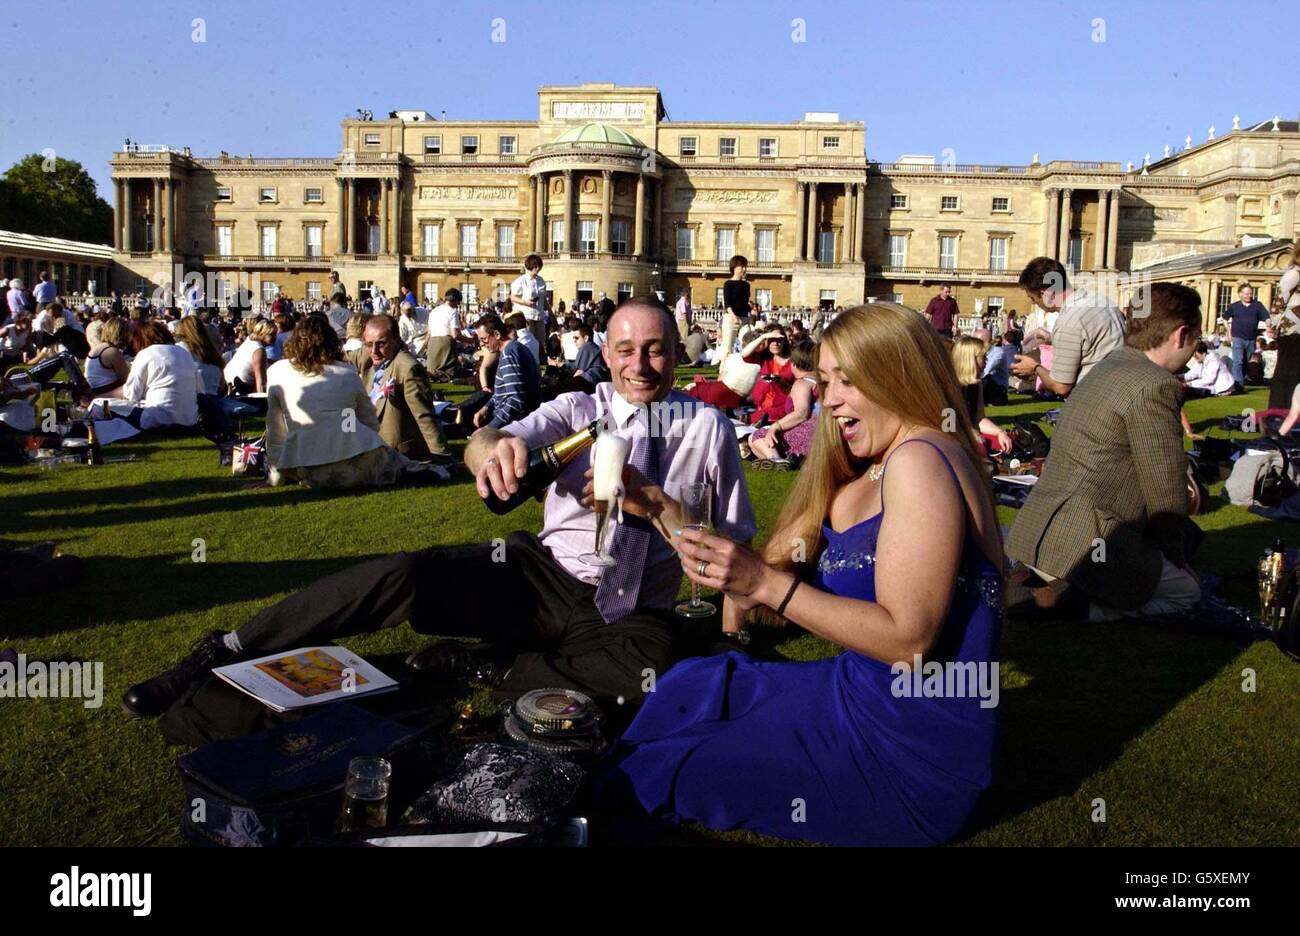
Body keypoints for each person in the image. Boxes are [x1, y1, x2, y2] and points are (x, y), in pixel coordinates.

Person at [121, 298, 757, 723]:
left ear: (677, 354)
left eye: (654, 350)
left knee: (655, 673)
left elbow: (729, 557)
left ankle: (480, 663)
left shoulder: (708, 430)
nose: (639, 365)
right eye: (625, 350)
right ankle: (225, 649)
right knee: (403, 572)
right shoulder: (579, 410)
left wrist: (660, 507)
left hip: (630, 611)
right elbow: (490, 442)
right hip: (543, 575)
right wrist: (493, 451)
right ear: (607, 353)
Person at [592, 302, 1002, 846]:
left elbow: (910, 641)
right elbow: (774, 577)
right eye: (825, 380)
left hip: (903, 755)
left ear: (898, 375)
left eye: (847, 382)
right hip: (858, 694)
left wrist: (765, 583)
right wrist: (659, 506)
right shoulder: (882, 462)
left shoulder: (921, 460)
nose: (829, 401)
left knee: (662, 770)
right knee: (701, 680)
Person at [1006, 283, 1203, 623]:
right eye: (1196, 338)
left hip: (1037, 532)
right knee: (1187, 592)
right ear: (1181, 334)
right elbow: (1166, 492)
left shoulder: (1109, 366)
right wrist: (1176, 557)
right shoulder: (1155, 384)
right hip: (1086, 543)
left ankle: (1047, 587)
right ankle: (1078, 607)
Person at [257, 314, 404, 488]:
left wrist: (275, 477)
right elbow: (370, 423)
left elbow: (275, 430)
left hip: (306, 465)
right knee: (396, 461)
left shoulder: (277, 372)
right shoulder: (347, 372)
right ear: (332, 342)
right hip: (357, 462)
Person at [1009, 256, 1126, 397]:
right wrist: (1051, 338)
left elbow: (1061, 386)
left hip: (1096, 398)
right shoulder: (1103, 302)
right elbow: (1090, 341)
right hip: (1120, 388)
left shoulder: (1069, 320)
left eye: (1033, 298)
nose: (1034, 304)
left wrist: (1035, 367)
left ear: (1045, 294)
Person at [346, 314, 450, 462]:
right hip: (366, 438)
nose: (374, 350)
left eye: (381, 344)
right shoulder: (368, 353)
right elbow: (343, 357)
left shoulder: (408, 368)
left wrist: (442, 456)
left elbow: (424, 416)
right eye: (369, 344)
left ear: (395, 340)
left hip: (395, 450)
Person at [91, 321, 200, 431]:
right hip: (189, 420)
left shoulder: (146, 354)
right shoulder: (184, 353)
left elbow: (131, 393)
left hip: (158, 419)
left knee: (99, 406)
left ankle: (107, 423)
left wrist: (102, 395)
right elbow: (200, 389)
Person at [748, 338, 818, 462]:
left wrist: (776, 427)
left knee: (757, 436)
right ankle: (779, 459)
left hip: (807, 436)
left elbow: (802, 413)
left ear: (794, 363)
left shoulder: (802, 383)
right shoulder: (821, 382)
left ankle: (777, 459)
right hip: (823, 433)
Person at [471, 313, 541, 429]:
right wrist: (486, 407)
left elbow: (515, 400)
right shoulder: (514, 349)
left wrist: (490, 429)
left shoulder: (509, 354)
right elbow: (503, 392)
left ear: (497, 334)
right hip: (508, 419)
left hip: (513, 424)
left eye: (484, 339)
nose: (482, 343)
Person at [950, 337, 1012, 454]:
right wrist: (971, 433)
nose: (987, 360)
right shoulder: (948, 386)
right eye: (983, 357)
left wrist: (1000, 432)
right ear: (970, 359)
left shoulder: (977, 385)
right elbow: (948, 427)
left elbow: (979, 418)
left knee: (1004, 442)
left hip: (969, 434)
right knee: (980, 447)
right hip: (952, 438)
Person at [740, 326, 794, 425]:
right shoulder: (765, 359)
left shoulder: (793, 362)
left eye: (779, 340)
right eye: (772, 340)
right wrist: (763, 336)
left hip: (781, 410)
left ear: (784, 341)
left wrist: (782, 382)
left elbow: (797, 389)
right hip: (762, 409)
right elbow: (744, 354)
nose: (776, 343)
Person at [1269, 242, 1300, 411]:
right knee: (1287, 371)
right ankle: (1279, 410)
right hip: (1292, 331)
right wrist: (1273, 325)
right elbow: (1278, 303)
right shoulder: (1294, 274)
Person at [1222, 284, 1269, 390]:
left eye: (1251, 293)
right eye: (1246, 294)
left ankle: (1240, 380)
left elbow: (1266, 317)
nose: (1249, 296)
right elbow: (1225, 318)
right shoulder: (1234, 306)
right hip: (1237, 337)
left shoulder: (1257, 305)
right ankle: (1237, 384)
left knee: (1245, 362)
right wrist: (1229, 331)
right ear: (1240, 294)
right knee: (1238, 361)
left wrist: (1269, 325)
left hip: (1251, 338)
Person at [175, 315, 228, 397]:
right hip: (213, 403)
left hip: (191, 402)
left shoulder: (178, 350)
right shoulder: (213, 353)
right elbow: (221, 387)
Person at [222, 318, 275, 394]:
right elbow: (260, 382)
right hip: (239, 390)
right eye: (271, 334)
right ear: (262, 334)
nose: (275, 337)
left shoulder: (250, 340)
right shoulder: (259, 350)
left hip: (227, 382)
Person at [83, 317, 133, 394]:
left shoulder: (98, 348)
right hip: (106, 392)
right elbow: (127, 379)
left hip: (95, 389)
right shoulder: (112, 352)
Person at [510, 254, 548, 350]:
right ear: (530, 266)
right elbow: (512, 297)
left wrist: (551, 314)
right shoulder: (521, 281)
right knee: (528, 342)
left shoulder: (541, 281)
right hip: (527, 315)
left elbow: (544, 299)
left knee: (540, 341)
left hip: (539, 316)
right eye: (535, 266)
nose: (538, 268)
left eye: (539, 266)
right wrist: (525, 302)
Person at [719, 255, 749, 365]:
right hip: (732, 319)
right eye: (742, 266)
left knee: (749, 344)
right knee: (728, 348)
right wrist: (733, 316)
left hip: (745, 319)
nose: (744, 269)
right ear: (735, 267)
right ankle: (722, 374)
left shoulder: (746, 284)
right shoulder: (728, 284)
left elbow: (745, 303)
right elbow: (727, 303)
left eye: (745, 266)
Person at [426, 288, 462, 378]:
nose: (458, 305)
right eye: (458, 303)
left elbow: (429, 332)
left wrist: (426, 345)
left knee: (433, 367)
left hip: (433, 341)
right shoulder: (452, 311)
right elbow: (455, 334)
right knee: (450, 370)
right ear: (455, 300)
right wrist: (470, 340)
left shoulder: (433, 311)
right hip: (446, 341)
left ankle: (431, 374)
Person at [981, 333, 1012, 406]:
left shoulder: (998, 353)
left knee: (984, 379)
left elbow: (986, 371)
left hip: (998, 388)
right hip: (989, 385)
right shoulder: (982, 353)